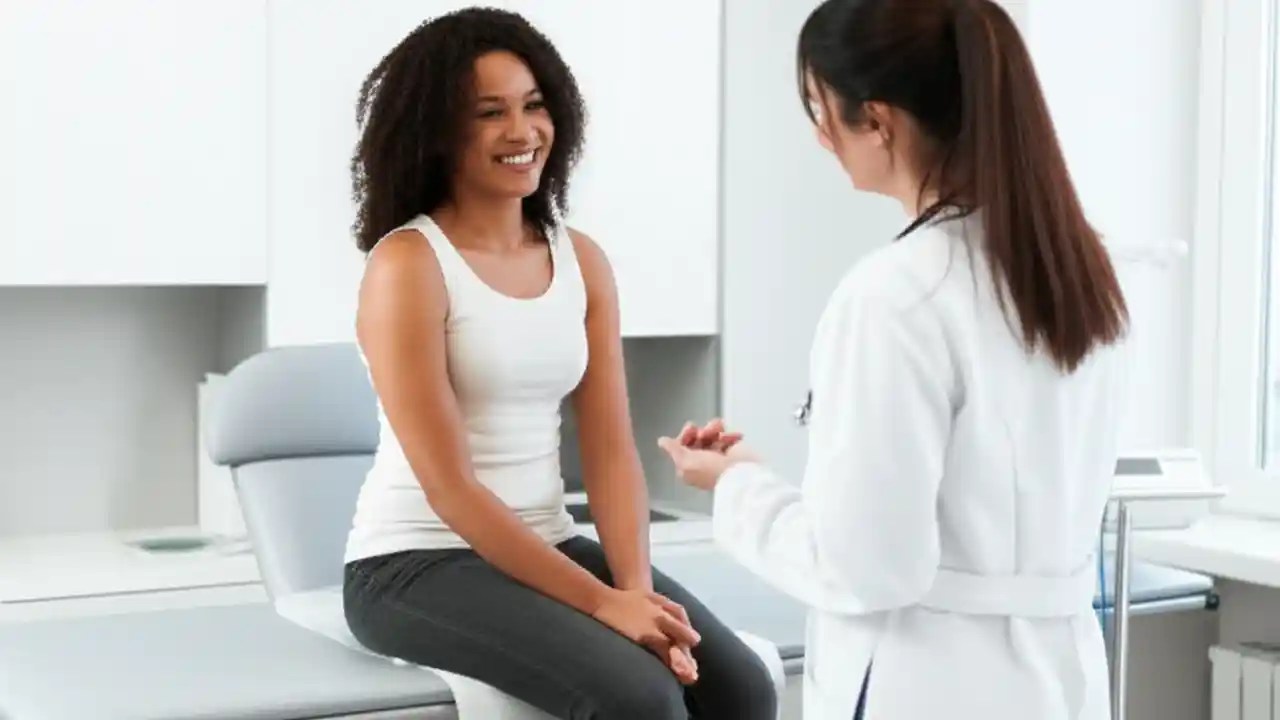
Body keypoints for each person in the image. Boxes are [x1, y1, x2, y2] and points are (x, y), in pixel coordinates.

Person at [658, 1, 1129, 719]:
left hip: (932, 683)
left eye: (822, 110)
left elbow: (866, 567)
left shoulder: (898, 294)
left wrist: (735, 489)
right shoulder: (1077, 271)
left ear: (878, 122)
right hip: (1060, 679)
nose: (821, 137)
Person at [339, 7, 777, 720]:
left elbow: (609, 451)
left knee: (743, 688)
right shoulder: (408, 266)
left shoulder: (582, 261)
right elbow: (451, 491)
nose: (522, 132)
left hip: (549, 542)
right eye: (490, 113)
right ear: (437, 132)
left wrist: (636, 590)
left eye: (535, 105)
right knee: (639, 700)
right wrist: (605, 604)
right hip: (414, 565)